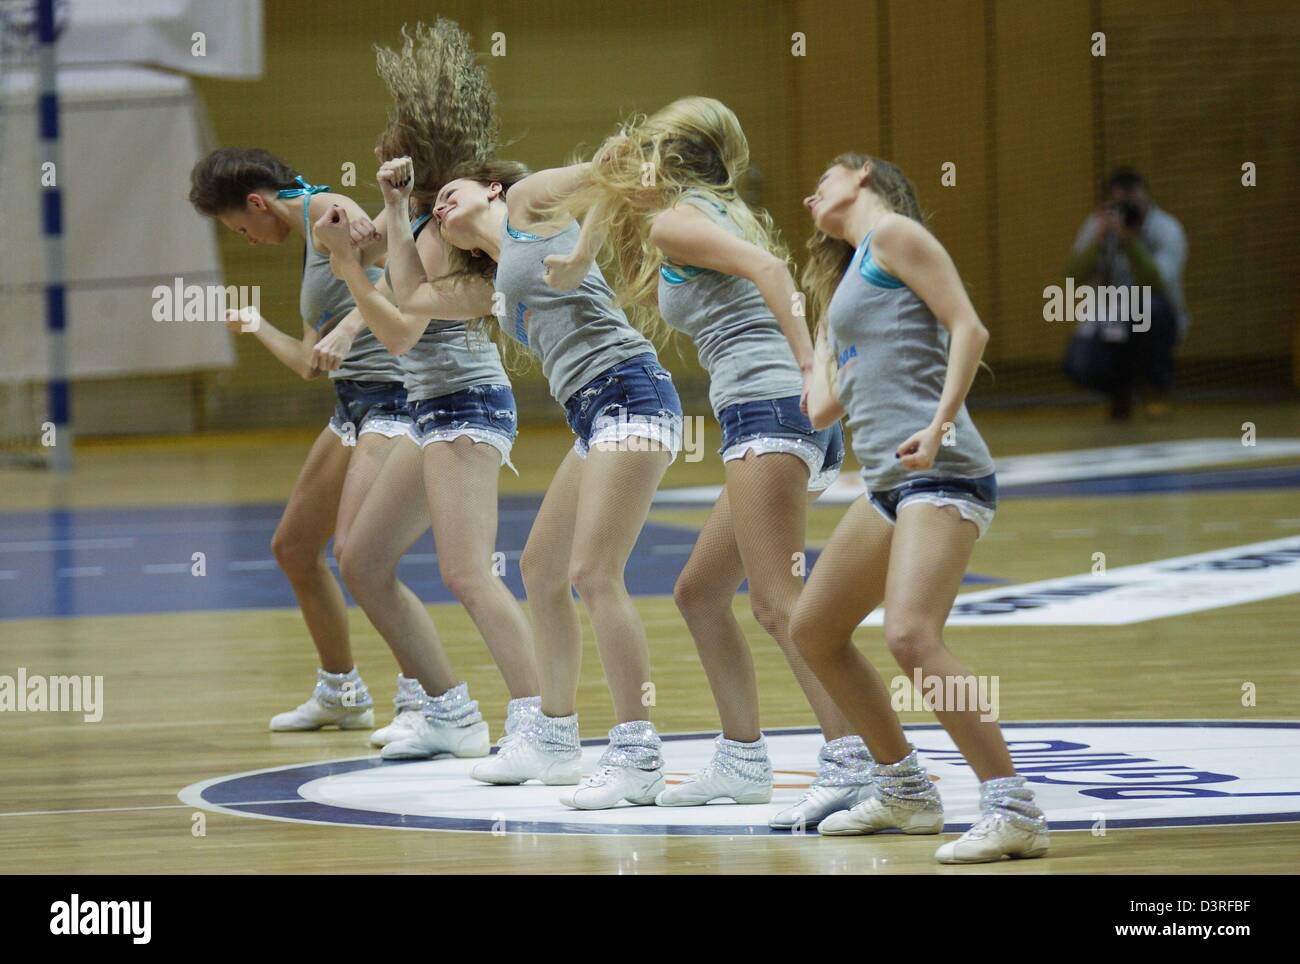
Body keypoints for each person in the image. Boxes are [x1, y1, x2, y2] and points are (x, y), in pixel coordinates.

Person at [549, 98, 871, 827]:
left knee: (778, 604)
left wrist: (804, 364)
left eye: (643, 155)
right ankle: (741, 760)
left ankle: (855, 761)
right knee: (699, 593)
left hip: (770, 413)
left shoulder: (682, 220)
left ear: (665, 159)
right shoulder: (714, 214)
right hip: (777, 416)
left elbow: (769, 274)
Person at [791, 152, 1049, 863]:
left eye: (826, 177)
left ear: (864, 178)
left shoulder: (897, 236)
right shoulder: (849, 277)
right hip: (888, 485)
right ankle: (903, 789)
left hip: (944, 472)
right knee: (814, 630)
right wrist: (812, 326)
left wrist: (937, 427)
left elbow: (969, 328)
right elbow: (819, 409)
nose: (812, 191)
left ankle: (1013, 807)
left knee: (909, 635)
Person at [188, 148, 410, 732]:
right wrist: (257, 327)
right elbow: (311, 365)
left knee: (363, 556)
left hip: (396, 400)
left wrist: (347, 327)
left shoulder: (333, 212)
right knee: (292, 547)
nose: (249, 239)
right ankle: (341, 692)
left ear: (257, 203)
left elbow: (401, 278)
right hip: (351, 404)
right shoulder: (310, 242)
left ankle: (427, 700)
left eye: (242, 227)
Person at [1064, 167, 1188, 419]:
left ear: (1147, 198)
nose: (1126, 211)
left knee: (1149, 310)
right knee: (1079, 363)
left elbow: (1157, 283)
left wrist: (1130, 242)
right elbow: (1071, 276)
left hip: (1156, 317)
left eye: (1133, 203)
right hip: (1109, 318)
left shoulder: (1166, 228)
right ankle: (1119, 390)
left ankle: (1156, 389)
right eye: (1119, 203)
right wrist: (1097, 242)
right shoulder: (1098, 225)